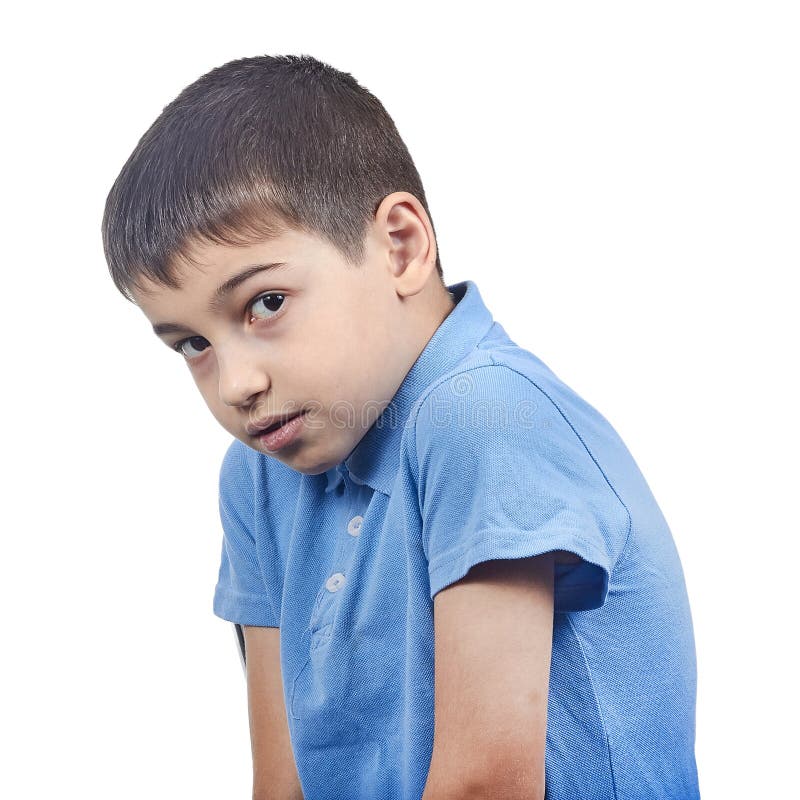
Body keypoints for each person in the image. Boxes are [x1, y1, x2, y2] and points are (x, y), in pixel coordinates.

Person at [101, 53, 700, 800]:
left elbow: (486, 787)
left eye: (266, 304)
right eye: (194, 344)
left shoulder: (486, 419)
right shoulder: (259, 474)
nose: (236, 384)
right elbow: (283, 787)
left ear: (401, 247)